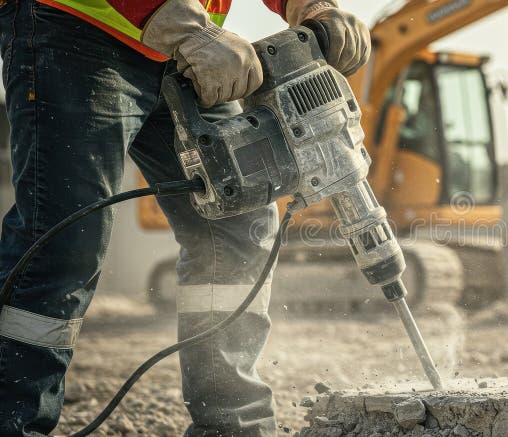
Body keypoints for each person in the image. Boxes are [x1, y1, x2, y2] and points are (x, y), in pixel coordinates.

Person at [0, 0, 370, 435]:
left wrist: (310, 6)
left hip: (187, 52)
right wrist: (181, 24)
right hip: (79, 30)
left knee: (239, 223)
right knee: (66, 237)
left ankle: (232, 426)